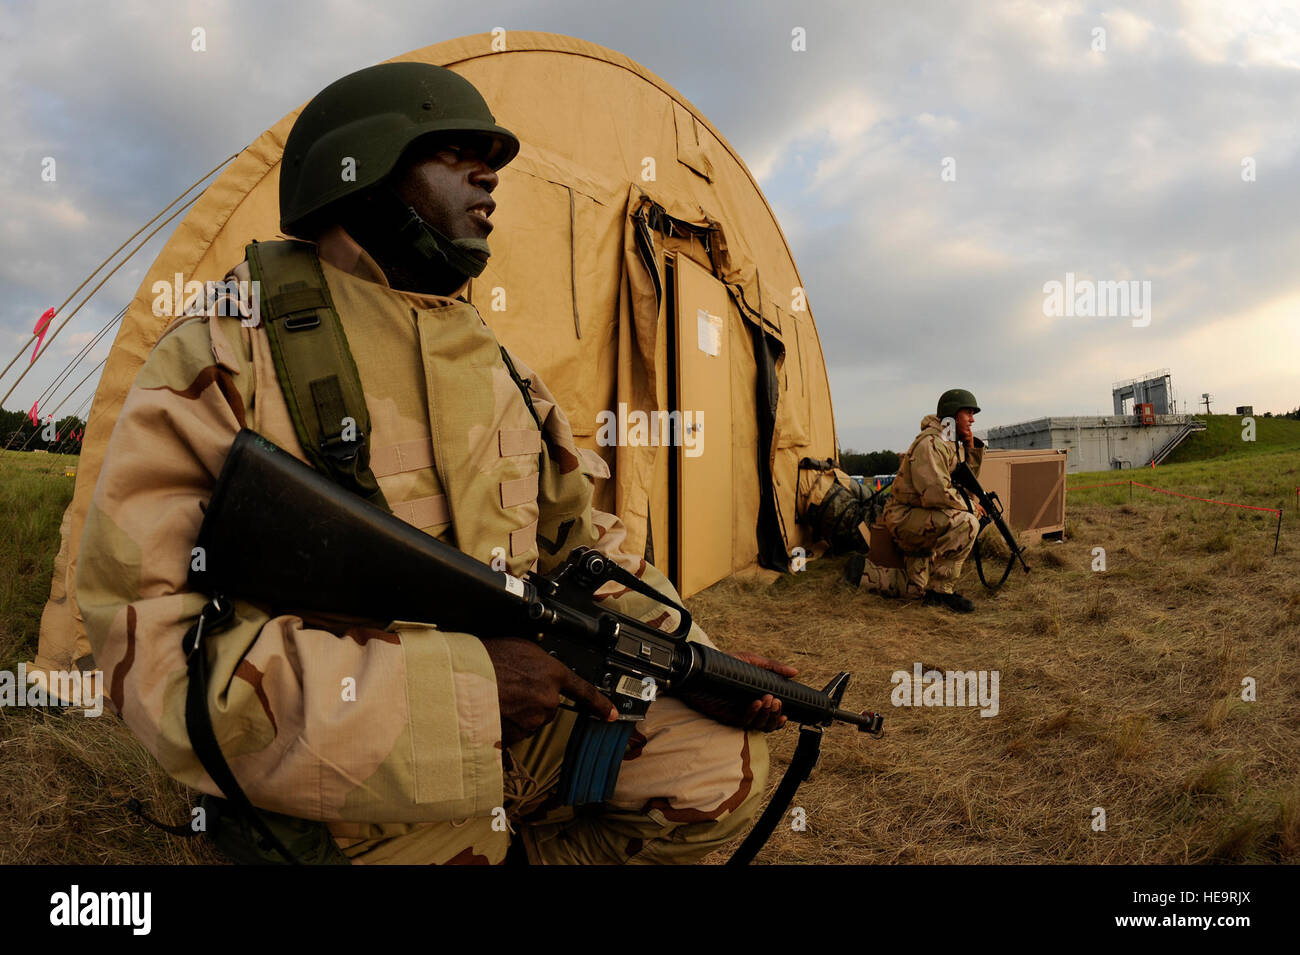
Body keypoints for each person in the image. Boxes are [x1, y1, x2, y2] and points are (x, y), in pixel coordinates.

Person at [77, 62, 790, 865]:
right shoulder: (234, 344)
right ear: (361, 169)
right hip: (349, 765)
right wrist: (467, 694)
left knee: (714, 768)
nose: (489, 175)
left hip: (525, 723)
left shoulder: (498, 364)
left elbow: (584, 544)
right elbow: (148, 635)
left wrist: (692, 655)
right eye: (454, 151)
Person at [846, 389, 985, 613]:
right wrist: (971, 508)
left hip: (921, 517)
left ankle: (866, 574)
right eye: (968, 412)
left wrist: (971, 448)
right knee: (967, 522)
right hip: (905, 518)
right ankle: (942, 593)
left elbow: (968, 484)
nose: (973, 418)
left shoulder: (948, 443)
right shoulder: (931, 444)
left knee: (916, 589)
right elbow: (936, 493)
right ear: (951, 415)